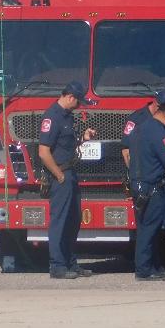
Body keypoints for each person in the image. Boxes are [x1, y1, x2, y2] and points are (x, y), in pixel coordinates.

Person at [35, 81, 97, 280]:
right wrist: (59, 175)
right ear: (70, 97)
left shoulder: (67, 117)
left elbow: (66, 145)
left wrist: (83, 138)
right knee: (60, 221)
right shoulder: (52, 117)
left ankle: (71, 263)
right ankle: (57, 265)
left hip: (70, 172)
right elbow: (44, 152)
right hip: (60, 175)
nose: (79, 106)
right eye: (78, 102)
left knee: (73, 220)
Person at [124, 96, 165, 281]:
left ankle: (154, 266)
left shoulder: (139, 129)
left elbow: (128, 155)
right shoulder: (161, 134)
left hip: (137, 184)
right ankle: (144, 270)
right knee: (149, 228)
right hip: (153, 186)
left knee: (145, 226)